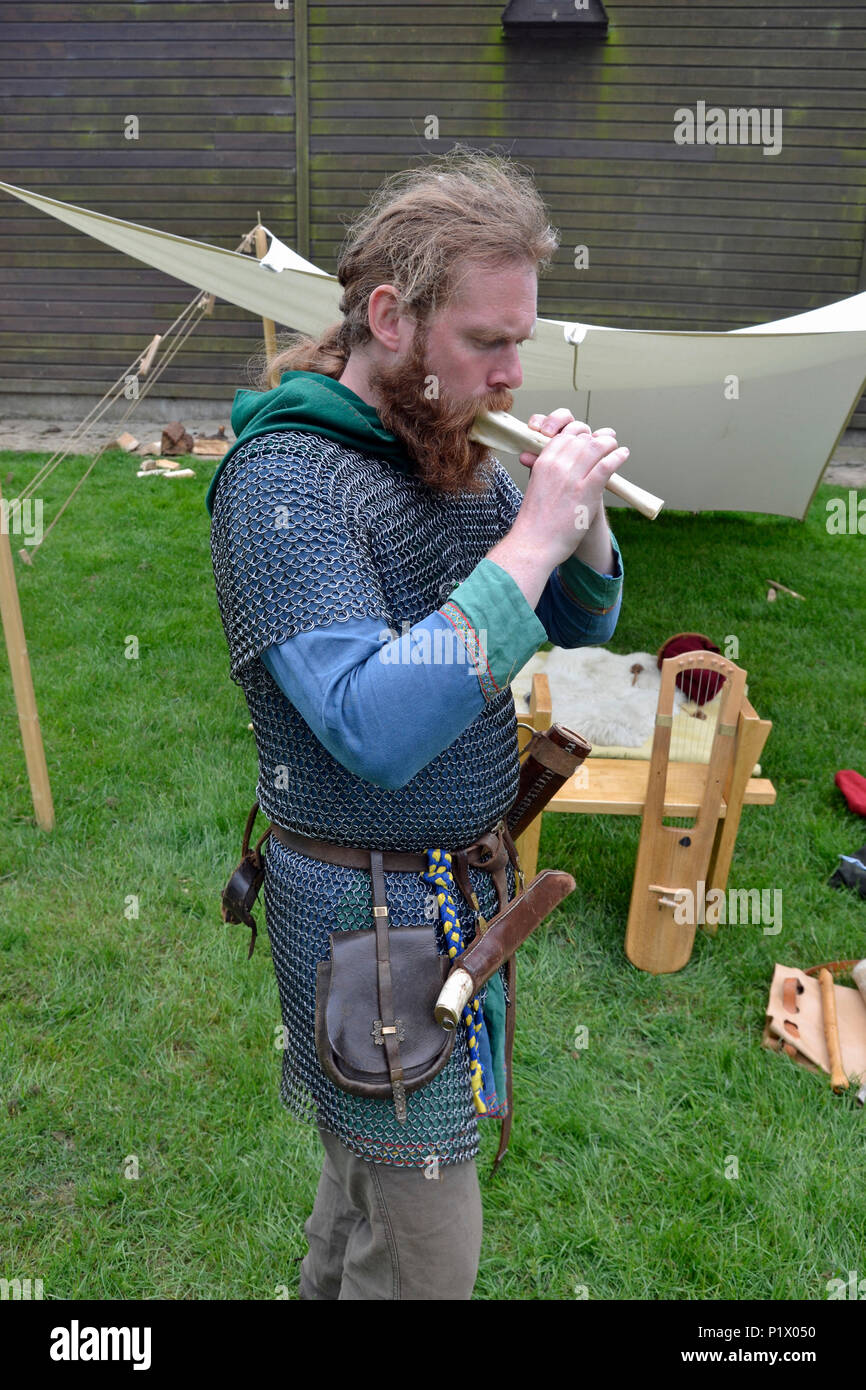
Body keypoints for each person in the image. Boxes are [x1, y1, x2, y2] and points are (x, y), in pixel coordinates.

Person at [206, 148, 627, 1301]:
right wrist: (527, 541)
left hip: (451, 892)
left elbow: (579, 620)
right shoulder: (284, 477)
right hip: (361, 910)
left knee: (364, 1185)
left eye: (519, 341)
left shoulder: (449, 444)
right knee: (428, 1255)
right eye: (484, 340)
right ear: (388, 315)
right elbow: (370, 725)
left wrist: (576, 531)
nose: (508, 371)